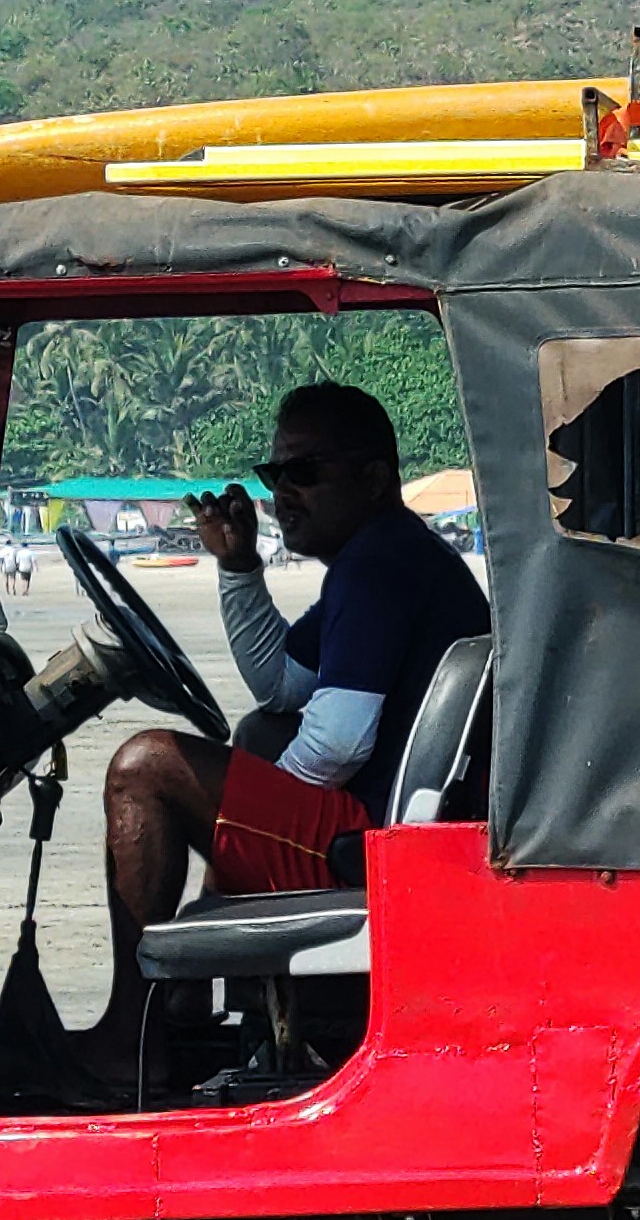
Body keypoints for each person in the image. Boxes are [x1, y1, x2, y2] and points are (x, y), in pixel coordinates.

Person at [100, 379, 487, 985]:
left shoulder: (376, 567)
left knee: (144, 765)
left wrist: (255, 801)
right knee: (259, 733)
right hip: (395, 821)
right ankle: (183, 1006)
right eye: (273, 474)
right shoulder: (388, 556)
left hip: (374, 842)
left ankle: (129, 1032)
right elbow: (281, 684)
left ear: (373, 479)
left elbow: (338, 743)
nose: (282, 493)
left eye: (303, 472)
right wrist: (238, 568)